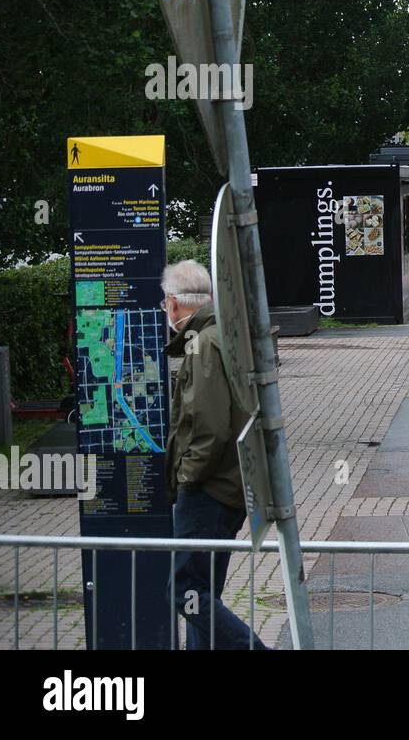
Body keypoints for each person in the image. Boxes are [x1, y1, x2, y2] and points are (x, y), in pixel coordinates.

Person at [162, 261, 267, 650]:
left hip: (209, 490)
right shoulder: (221, 333)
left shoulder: (204, 343)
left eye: (164, 303)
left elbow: (209, 426)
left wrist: (187, 477)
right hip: (228, 484)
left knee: (187, 592)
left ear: (174, 303)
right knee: (202, 593)